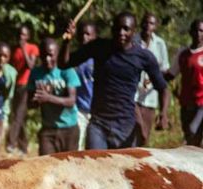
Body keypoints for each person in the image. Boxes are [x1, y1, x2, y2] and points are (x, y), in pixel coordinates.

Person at [60, 12, 168, 150]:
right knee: (96, 166)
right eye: (117, 28)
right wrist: (67, 41)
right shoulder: (99, 47)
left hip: (125, 127)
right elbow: (64, 63)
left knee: (125, 170)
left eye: (126, 29)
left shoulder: (143, 57)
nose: (121, 33)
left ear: (134, 31)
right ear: (112, 29)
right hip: (99, 125)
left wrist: (163, 113)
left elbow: (162, 88)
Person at [28, 38, 81, 155]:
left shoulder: (67, 71)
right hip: (48, 129)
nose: (47, 59)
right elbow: (30, 104)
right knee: (45, 167)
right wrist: (36, 99)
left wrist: (48, 98)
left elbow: (71, 101)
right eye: (44, 55)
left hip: (69, 129)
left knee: (68, 169)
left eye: (50, 55)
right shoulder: (35, 73)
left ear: (57, 54)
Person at [133, 13, 170, 146]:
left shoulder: (160, 44)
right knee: (138, 131)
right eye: (145, 22)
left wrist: (154, 78)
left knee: (144, 138)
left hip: (150, 98)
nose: (148, 26)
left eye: (151, 23)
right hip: (134, 96)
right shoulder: (133, 41)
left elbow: (164, 69)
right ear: (141, 23)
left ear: (156, 26)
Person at [166, 19, 203, 146]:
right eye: (196, 30)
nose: (198, 34)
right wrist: (153, 77)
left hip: (201, 104)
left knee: (193, 131)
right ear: (190, 32)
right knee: (191, 138)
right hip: (186, 103)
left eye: (201, 31)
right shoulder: (183, 53)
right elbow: (171, 74)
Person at [7, 24, 39, 155]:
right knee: (20, 116)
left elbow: (31, 65)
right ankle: (23, 147)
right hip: (15, 86)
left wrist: (23, 49)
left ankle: (10, 143)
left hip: (27, 86)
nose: (21, 36)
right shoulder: (13, 50)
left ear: (28, 36)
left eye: (24, 34)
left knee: (18, 115)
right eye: (20, 34)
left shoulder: (32, 48)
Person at [74, 21, 96, 149]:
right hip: (78, 110)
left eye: (88, 34)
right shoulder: (74, 59)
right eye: (82, 34)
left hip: (97, 112)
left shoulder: (100, 59)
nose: (84, 37)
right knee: (76, 148)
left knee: (94, 149)